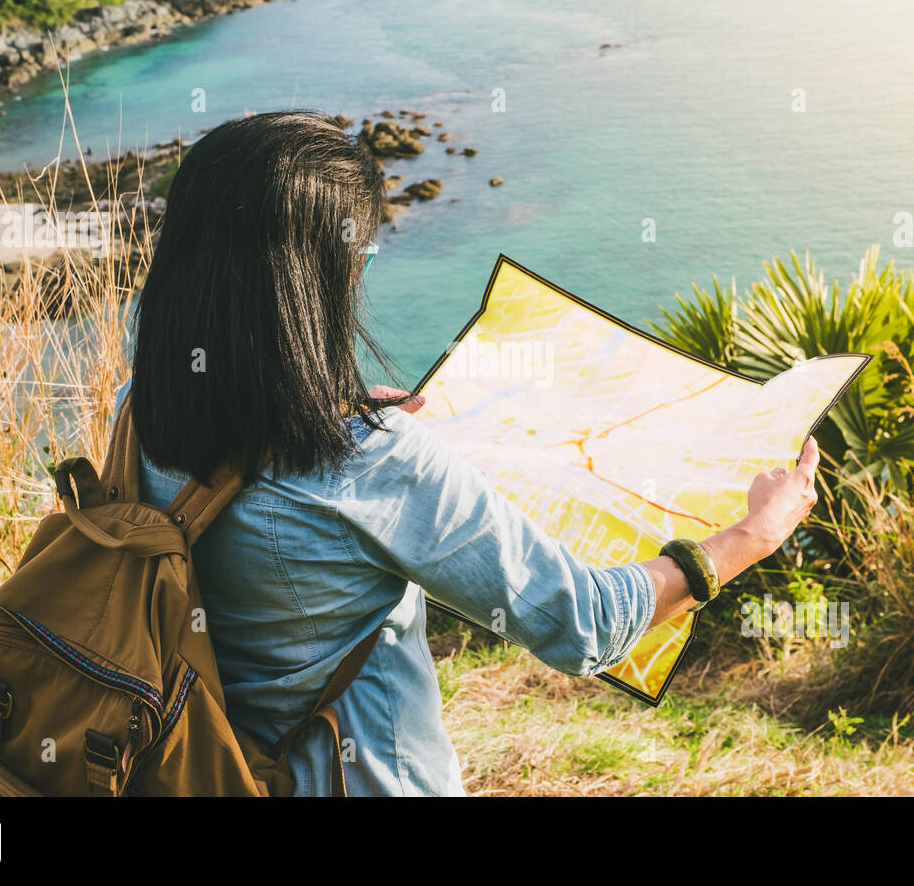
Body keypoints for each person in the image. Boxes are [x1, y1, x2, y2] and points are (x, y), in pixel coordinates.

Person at [114, 110, 819, 796]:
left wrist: (334, 403)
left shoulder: (139, 409)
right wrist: (754, 534)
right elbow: (586, 626)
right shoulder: (368, 462)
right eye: (359, 252)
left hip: (189, 767)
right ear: (317, 275)